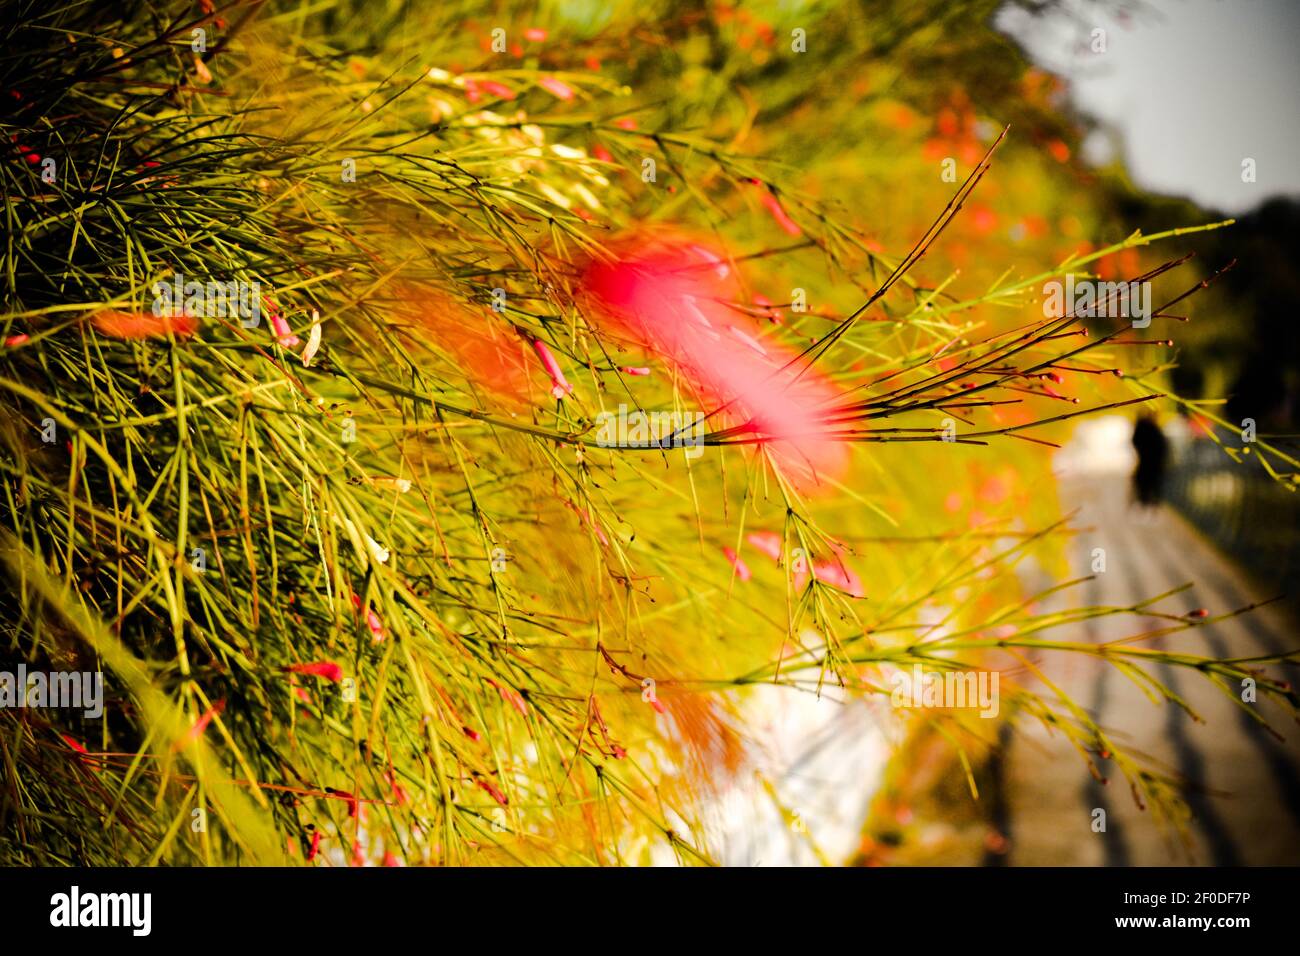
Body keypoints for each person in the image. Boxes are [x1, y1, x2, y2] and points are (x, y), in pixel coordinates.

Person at [1131, 412, 1168, 507]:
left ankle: (1144, 501)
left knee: (1145, 483)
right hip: (1152, 464)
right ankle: (1148, 502)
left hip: (1146, 464)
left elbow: (1135, 441)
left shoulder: (1144, 428)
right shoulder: (1154, 430)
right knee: (1151, 483)